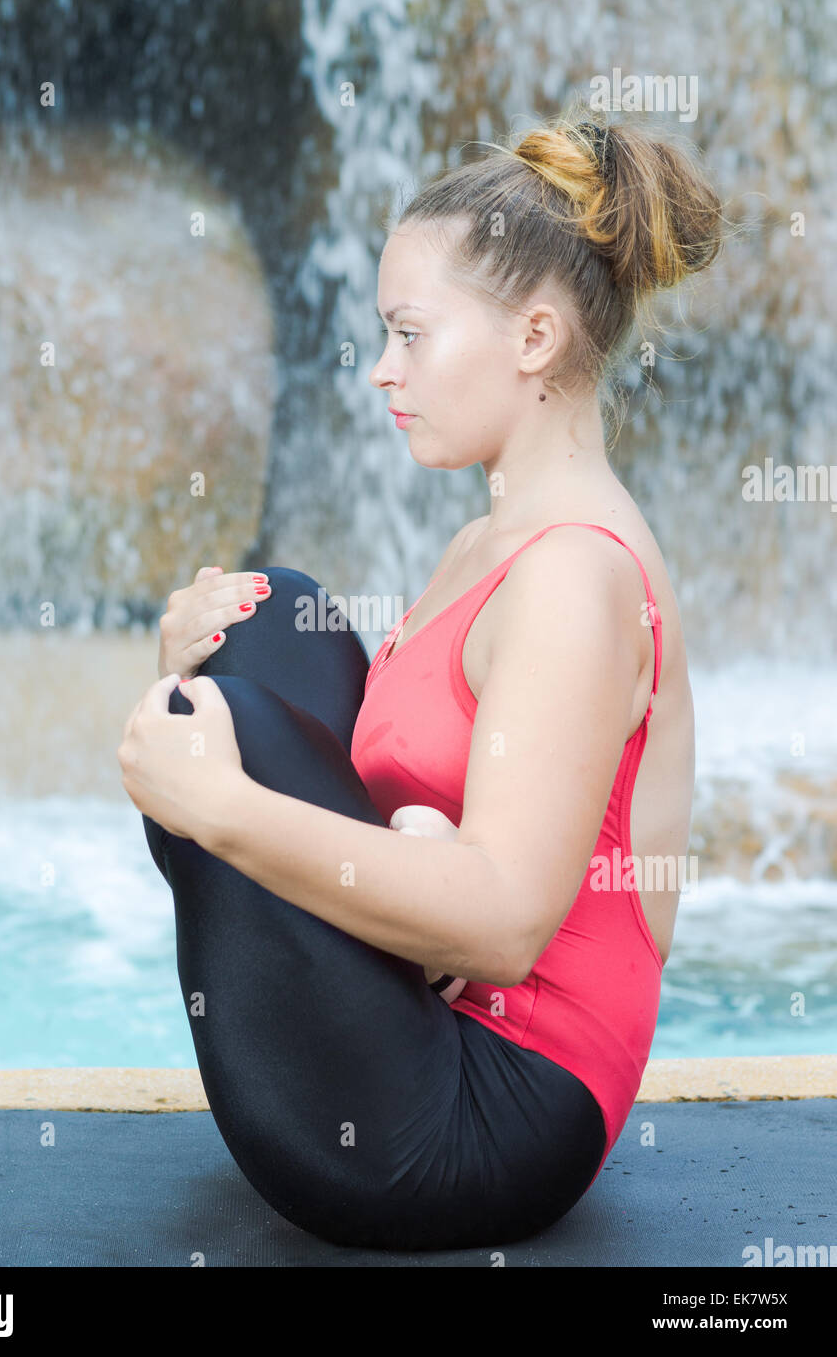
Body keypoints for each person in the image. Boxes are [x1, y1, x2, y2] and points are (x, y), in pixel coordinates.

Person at [118, 102, 723, 1251]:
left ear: (534, 339)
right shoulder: (489, 540)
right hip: (430, 1030)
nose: (383, 373)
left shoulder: (573, 579)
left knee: (227, 727)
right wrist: (187, 673)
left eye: (411, 335)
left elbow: (502, 928)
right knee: (268, 615)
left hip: (485, 1119)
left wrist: (223, 806)